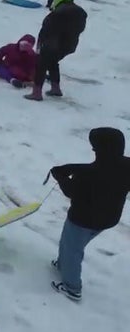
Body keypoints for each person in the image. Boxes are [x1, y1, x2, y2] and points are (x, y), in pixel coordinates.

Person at [47, 128, 130, 301]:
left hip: (82, 220)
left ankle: (72, 287)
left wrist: (60, 176)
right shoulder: (127, 166)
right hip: (109, 218)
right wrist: (71, 168)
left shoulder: (87, 175)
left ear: (99, 150)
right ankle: (64, 265)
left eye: (95, 148)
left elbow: (70, 191)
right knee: (70, 244)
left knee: (72, 250)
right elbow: (102, 169)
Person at [25, 0, 86, 101]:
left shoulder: (58, 12)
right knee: (53, 61)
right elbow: (80, 29)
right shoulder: (81, 12)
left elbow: (47, 29)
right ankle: (56, 88)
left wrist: (41, 44)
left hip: (52, 44)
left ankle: (36, 93)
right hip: (70, 45)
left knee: (42, 64)